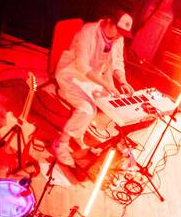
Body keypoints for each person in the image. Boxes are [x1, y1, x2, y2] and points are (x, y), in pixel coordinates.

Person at [53, 9, 135, 169]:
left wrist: (123, 81)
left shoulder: (118, 38)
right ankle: (61, 143)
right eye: (118, 30)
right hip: (72, 73)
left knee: (108, 102)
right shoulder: (89, 31)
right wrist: (106, 84)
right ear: (109, 21)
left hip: (94, 78)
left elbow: (117, 63)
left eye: (123, 33)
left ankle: (78, 131)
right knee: (87, 110)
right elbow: (81, 66)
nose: (119, 36)